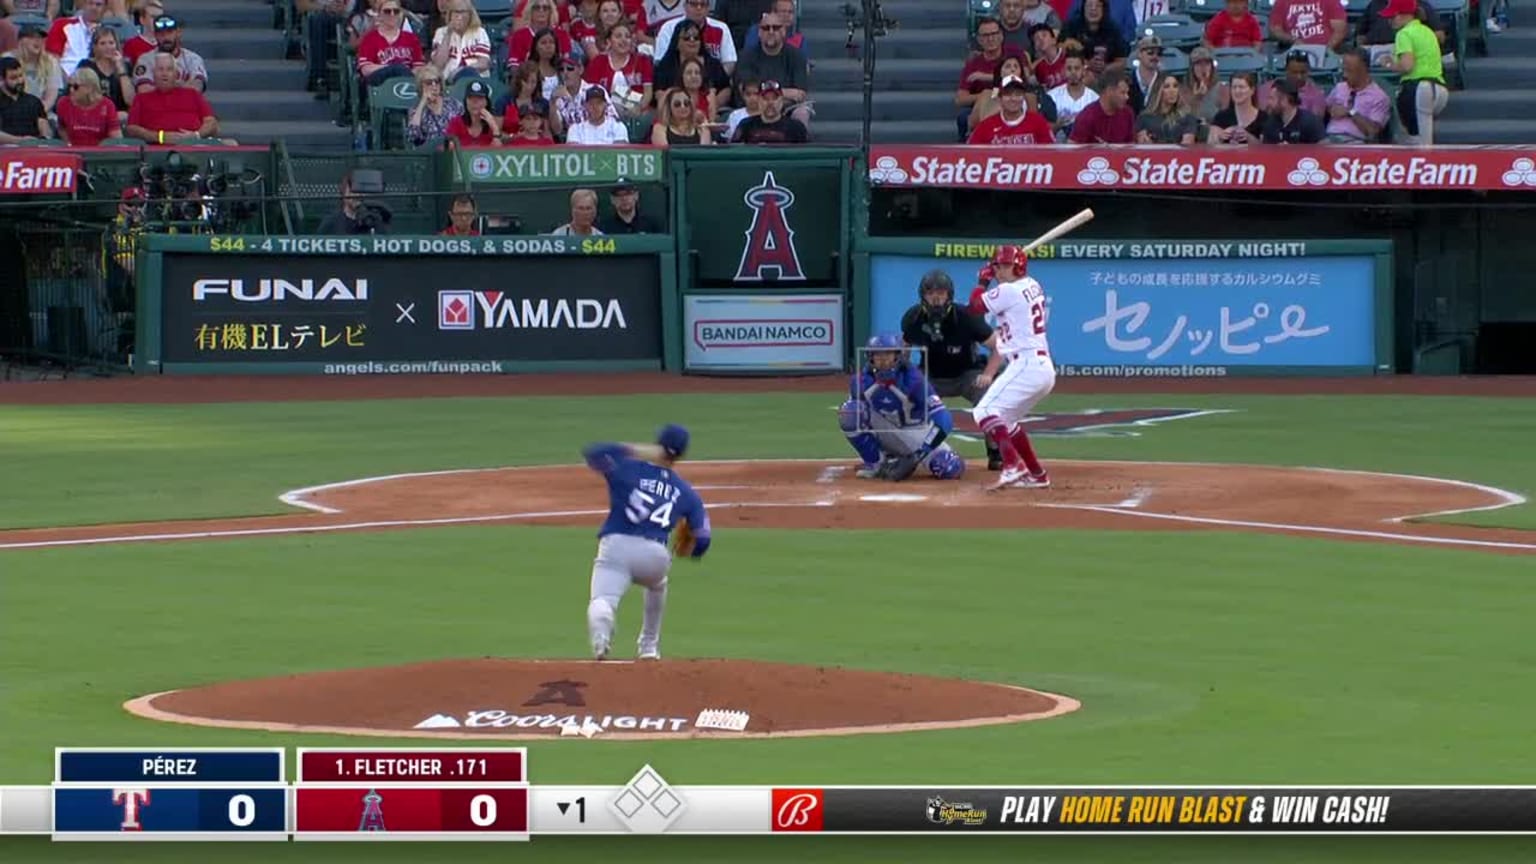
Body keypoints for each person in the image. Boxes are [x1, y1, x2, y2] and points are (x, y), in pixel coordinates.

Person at [580, 424, 710, 661]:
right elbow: (703, 539)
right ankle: (649, 647)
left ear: (658, 445)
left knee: (603, 600)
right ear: (682, 454)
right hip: (655, 555)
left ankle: (602, 628)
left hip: (616, 546)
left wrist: (637, 450)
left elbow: (594, 452)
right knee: (658, 585)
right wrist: (693, 550)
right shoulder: (686, 492)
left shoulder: (627, 468)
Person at [965, 245, 1055, 490]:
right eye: (998, 266)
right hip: (1040, 366)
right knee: (1007, 421)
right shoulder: (1032, 284)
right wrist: (995, 273)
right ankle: (1037, 474)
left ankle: (1012, 465)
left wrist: (982, 281)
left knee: (983, 412)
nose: (1000, 271)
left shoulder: (1008, 291)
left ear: (1019, 266)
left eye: (1005, 266)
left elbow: (974, 307)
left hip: (1027, 363)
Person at [900, 269, 1006, 470]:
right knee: (903, 400)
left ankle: (996, 452)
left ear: (949, 295)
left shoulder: (967, 317)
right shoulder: (913, 318)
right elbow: (903, 348)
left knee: (991, 401)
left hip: (968, 375)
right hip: (931, 376)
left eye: (941, 293)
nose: (936, 298)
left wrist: (988, 374)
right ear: (923, 296)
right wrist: (906, 376)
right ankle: (905, 451)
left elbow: (999, 347)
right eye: (930, 293)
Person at [838, 334, 967, 483]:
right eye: (877, 354)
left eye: (888, 354)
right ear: (870, 357)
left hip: (917, 432)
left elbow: (944, 418)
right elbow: (856, 412)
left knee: (950, 468)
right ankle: (876, 463)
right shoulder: (860, 380)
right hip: (886, 430)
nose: (883, 359)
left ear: (897, 356)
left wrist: (919, 454)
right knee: (850, 412)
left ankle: (902, 458)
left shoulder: (914, 379)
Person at [1380, 0, 1446, 147]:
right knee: (1424, 137)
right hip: (1440, 90)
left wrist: (1389, 64)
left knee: (1420, 143)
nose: (1389, 21)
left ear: (1404, 15)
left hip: (1418, 89)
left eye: (1393, 16)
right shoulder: (1427, 31)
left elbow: (1407, 66)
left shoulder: (1404, 33)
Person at [125, 52, 222, 144]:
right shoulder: (141, 98)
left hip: (193, 146)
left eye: (169, 69)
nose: (164, 73)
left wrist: (195, 135)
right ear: (153, 74)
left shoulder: (193, 94)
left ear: (176, 74)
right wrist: (159, 137)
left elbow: (211, 122)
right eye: (160, 69)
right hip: (156, 149)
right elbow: (131, 129)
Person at [734, 12, 809, 129]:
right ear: (759, 32)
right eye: (765, 28)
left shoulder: (796, 56)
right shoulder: (746, 56)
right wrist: (783, 93)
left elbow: (800, 94)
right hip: (754, 109)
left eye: (776, 28)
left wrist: (766, 94)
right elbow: (748, 91)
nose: (771, 32)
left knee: (802, 112)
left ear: (784, 31)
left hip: (787, 109)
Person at [954, 18, 1022, 142]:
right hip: (981, 107)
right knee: (963, 116)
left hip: (1015, 98)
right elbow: (960, 99)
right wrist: (986, 96)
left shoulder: (1013, 53)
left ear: (1001, 35)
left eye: (994, 34)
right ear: (979, 40)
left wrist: (986, 77)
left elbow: (1023, 78)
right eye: (985, 35)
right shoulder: (973, 65)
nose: (990, 39)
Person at [653, 18, 731, 107]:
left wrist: (711, 106)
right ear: (676, 42)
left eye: (696, 37)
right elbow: (659, 93)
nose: (692, 40)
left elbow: (726, 89)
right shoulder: (666, 66)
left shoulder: (712, 64)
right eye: (687, 38)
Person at [1323, 47, 1389, 143]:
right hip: (1329, 139)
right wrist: (1331, 109)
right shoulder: (1339, 87)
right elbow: (1326, 108)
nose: (1344, 75)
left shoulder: (1379, 97)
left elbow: (1372, 132)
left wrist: (1350, 112)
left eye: (1349, 71)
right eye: (1344, 69)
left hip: (1355, 142)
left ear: (1363, 69)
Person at [653, 0, 736, 75]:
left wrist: (716, 81)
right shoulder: (669, 28)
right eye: (693, 4)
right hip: (676, 82)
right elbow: (659, 62)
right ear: (685, 6)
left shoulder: (721, 28)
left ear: (708, 8)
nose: (698, 8)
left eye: (703, 4)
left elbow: (729, 62)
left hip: (712, 83)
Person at [967, 74, 1054, 144]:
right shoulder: (986, 126)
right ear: (1000, 98)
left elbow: (1051, 153)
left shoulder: (1038, 122)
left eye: (1018, 94)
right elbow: (971, 153)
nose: (1013, 98)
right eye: (1008, 94)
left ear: (1023, 97)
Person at [356, 0, 423, 87]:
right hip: (380, 83)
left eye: (396, 11)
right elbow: (366, 69)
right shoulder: (370, 39)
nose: (392, 15)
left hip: (407, 82)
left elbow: (419, 67)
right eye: (387, 11)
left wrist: (404, 71)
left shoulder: (411, 38)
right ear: (379, 15)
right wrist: (392, 68)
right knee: (397, 69)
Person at [132, 16, 207, 93]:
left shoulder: (193, 59)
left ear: (178, 33)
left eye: (169, 32)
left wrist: (164, 87)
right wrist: (178, 86)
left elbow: (197, 87)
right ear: (155, 35)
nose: (166, 37)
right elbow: (143, 91)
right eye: (161, 33)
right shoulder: (145, 59)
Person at [77, 26, 135, 118]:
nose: (107, 47)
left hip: (119, 116)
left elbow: (130, 100)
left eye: (111, 43)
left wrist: (120, 69)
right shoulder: (86, 65)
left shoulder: (126, 65)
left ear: (117, 45)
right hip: (92, 114)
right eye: (102, 43)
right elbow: (79, 97)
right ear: (95, 47)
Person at [1061, 0, 1129, 78]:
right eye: (1089, 5)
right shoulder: (1071, 26)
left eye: (1098, 6)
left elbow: (1122, 61)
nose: (1093, 9)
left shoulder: (1113, 29)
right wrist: (1088, 64)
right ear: (1083, 8)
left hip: (1105, 76)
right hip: (1077, 74)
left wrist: (1105, 68)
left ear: (1104, 9)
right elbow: (1060, 52)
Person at [56, 67, 121, 145]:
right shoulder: (63, 103)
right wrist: (68, 144)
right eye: (70, 86)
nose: (71, 90)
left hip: (99, 153)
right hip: (73, 152)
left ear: (89, 88)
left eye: (76, 87)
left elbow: (116, 137)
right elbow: (61, 128)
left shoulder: (107, 105)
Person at [1067, 67, 1134, 143]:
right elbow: (1073, 147)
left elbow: (1130, 145)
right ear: (1109, 91)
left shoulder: (1127, 114)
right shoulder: (1087, 116)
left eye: (1127, 93)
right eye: (1122, 93)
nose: (1127, 97)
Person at [7, 23, 62, 113]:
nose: (37, 41)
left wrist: (38, 113)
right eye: (32, 37)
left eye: (40, 38)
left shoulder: (51, 62)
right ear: (21, 40)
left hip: (41, 112)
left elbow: (51, 96)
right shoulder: (8, 59)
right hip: (11, 112)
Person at [431, 0, 491, 82]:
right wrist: (448, 34)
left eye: (462, 12)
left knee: (467, 74)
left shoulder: (479, 32)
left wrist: (462, 70)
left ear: (470, 15)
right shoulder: (441, 33)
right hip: (449, 81)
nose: (459, 17)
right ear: (450, 15)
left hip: (475, 79)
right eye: (455, 12)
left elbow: (484, 63)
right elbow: (438, 65)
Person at [729, 78, 806, 142]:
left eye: (774, 98)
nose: (770, 103)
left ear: (781, 101)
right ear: (759, 101)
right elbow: (734, 152)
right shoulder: (745, 125)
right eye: (765, 99)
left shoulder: (796, 128)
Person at [317, 172, 394, 234]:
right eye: (353, 190)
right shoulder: (331, 222)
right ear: (344, 191)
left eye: (360, 190)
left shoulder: (374, 221)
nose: (357, 194)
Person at [1257, 49, 1326, 117]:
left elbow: (1316, 122)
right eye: (1294, 72)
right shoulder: (1268, 88)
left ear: (1308, 70)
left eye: (1303, 72)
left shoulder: (1317, 94)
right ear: (1286, 70)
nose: (1299, 77)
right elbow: (1261, 114)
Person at [44, 0, 104, 76]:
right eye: (90, 3)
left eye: (98, 5)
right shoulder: (61, 25)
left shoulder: (107, 32)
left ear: (105, 8)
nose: (94, 8)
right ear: (84, 5)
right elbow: (52, 59)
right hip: (64, 78)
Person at [1047, 49, 1096, 141]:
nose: (1073, 72)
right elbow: (1045, 130)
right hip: (1058, 149)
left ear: (1084, 71)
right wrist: (1058, 125)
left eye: (1077, 68)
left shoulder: (1094, 99)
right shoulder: (1052, 96)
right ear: (1063, 71)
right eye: (1069, 68)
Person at [1136, 71, 1197, 144]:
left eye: (1175, 86)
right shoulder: (1144, 118)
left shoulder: (1187, 117)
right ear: (1158, 90)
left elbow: (1187, 145)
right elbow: (1141, 146)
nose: (1172, 91)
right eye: (1167, 86)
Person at [406, 64, 459, 147]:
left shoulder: (454, 104)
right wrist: (423, 102)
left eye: (437, 81)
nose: (434, 86)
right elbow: (413, 136)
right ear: (421, 86)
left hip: (454, 151)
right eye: (429, 82)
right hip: (430, 154)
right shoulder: (416, 109)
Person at [0, 56, 49, 143]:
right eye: (13, 78)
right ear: (2, 80)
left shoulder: (34, 102)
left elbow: (44, 131)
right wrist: (21, 141)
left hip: (33, 150)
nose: (20, 81)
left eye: (21, 76)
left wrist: (43, 139)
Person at [1260, 76, 1324, 143]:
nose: (1268, 102)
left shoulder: (1311, 122)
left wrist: (1294, 151)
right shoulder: (1270, 123)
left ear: (1284, 100)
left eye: (1272, 98)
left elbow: (1323, 149)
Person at [1207, 70, 1263, 145]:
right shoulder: (1221, 117)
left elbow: (1267, 148)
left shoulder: (1263, 118)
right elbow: (1210, 144)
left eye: (1241, 87)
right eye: (1234, 87)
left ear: (1252, 90)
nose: (1237, 91)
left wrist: (1248, 137)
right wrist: (1220, 137)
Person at [1269, 0, 1347, 49]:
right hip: (1292, 51)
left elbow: (1339, 31)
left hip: (1325, 50)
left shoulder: (1330, 1)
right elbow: (1275, 30)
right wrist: (1292, 40)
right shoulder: (1282, 2)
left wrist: (1326, 51)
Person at [445, 77, 500, 145]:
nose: (474, 102)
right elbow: (449, 150)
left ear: (486, 102)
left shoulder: (492, 124)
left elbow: (498, 152)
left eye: (479, 98)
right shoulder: (456, 123)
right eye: (470, 97)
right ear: (466, 101)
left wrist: (494, 128)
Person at [1183, 45, 1223, 122]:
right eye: (1198, 63)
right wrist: (1197, 98)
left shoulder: (1221, 89)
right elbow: (1184, 119)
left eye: (1207, 63)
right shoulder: (1184, 91)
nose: (1203, 67)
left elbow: (1226, 118)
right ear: (1192, 68)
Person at [1127, 34, 1162, 116]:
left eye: (1159, 54)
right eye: (1150, 53)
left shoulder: (1164, 81)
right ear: (1139, 54)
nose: (1155, 57)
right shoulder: (1127, 81)